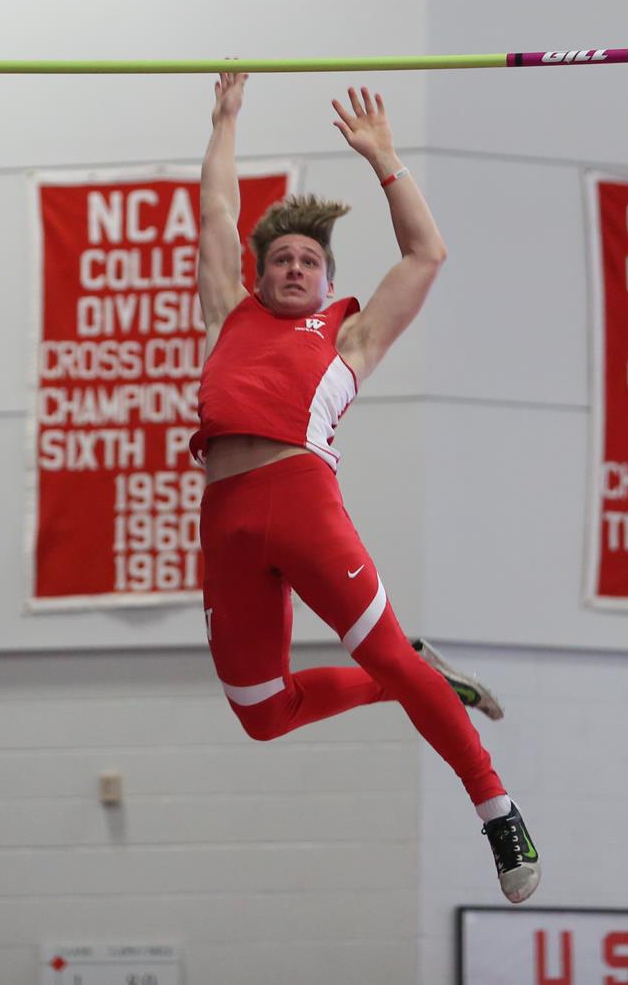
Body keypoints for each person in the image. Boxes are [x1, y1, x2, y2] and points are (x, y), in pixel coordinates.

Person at [189, 70, 539, 904]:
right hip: (227, 522)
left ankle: (497, 808)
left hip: (303, 502)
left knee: (379, 649)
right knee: (262, 711)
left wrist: (385, 159)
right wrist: (226, 120)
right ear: (259, 274)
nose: (295, 266)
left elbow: (427, 253)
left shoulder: (350, 334)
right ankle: (423, 676)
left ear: (326, 277)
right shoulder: (229, 314)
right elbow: (215, 215)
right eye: (280, 258)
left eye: (309, 259)